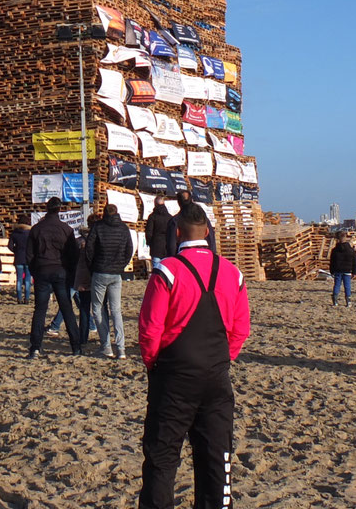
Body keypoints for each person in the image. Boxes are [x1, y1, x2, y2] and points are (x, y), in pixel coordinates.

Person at [138, 201, 251, 509]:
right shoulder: (233, 273)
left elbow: (150, 328)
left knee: (162, 457)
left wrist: (153, 363)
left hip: (174, 376)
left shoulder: (167, 271)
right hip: (216, 377)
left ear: (177, 232)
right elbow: (241, 329)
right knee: (216, 458)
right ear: (208, 233)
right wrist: (222, 359)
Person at [27, 197, 82, 358]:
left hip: (42, 270)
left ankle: (35, 347)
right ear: (60, 209)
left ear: (47, 208)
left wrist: (35, 271)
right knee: (67, 309)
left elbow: (29, 255)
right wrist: (70, 273)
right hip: (61, 271)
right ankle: (76, 347)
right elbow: (74, 255)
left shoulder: (36, 229)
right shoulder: (66, 229)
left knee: (40, 310)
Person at [87, 204, 134, 358]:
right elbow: (129, 249)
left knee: (97, 308)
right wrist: (121, 265)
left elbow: (89, 248)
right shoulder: (123, 228)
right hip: (115, 273)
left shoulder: (98, 227)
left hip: (100, 271)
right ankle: (121, 348)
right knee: (116, 311)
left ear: (104, 213)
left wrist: (92, 266)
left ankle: (106, 346)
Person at [328, 232, 356, 308]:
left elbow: (332, 262)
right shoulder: (351, 250)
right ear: (345, 238)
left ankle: (335, 300)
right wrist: (354, 272)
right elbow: (355, 261)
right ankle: (348, 301)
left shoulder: (334, 250)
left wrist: (331, 271)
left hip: (338, 271)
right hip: (347, 270)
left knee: (337, 285)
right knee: (347, 286)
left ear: (337, 239)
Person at [144, 196, 174, 270]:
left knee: (156, 270)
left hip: (156, 246)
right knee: (166, 270)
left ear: (155, 204)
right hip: (167, 247)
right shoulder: (170, 217)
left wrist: (149, 242)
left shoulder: (152, 217)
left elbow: (149, 232)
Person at [7, 221, 32, 304]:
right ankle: (27, 298)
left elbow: (10, 246)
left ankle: (19, 298)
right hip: (28, 258)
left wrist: (16, 251)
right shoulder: (31, 233)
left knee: (19, 279)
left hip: (18, 258)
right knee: (28, 279)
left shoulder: (15, 233)